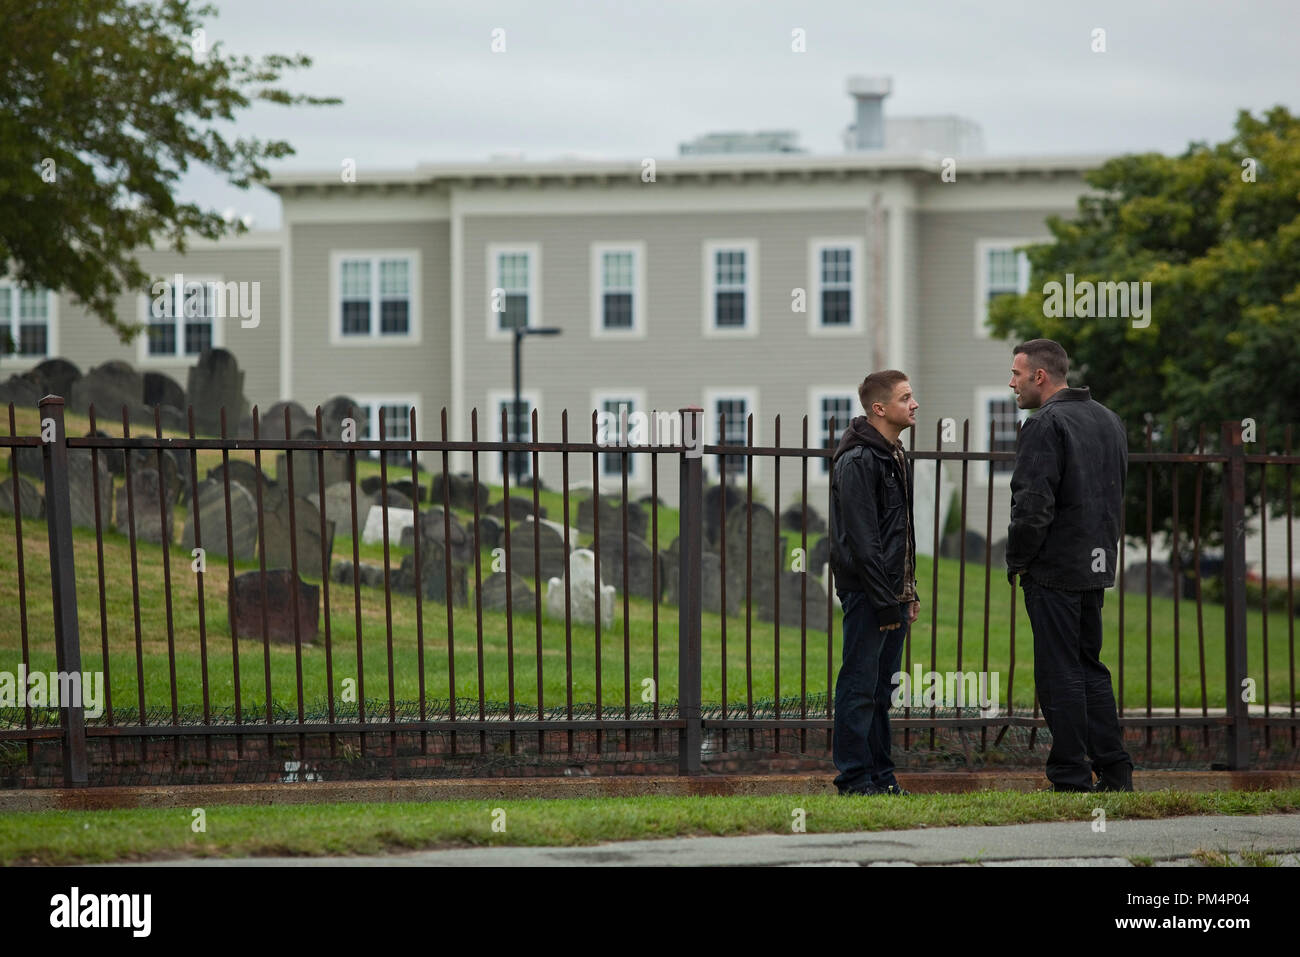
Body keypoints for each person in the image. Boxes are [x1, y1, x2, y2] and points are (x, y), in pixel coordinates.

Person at [1005, 338, 1134, 792]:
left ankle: (1070, 775)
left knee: (1059, 671)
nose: (1012, 382)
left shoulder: (1044, 424)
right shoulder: (1109, 420)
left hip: (1054, 568)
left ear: (1040, 376)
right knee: (1089, 667)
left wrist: (1019, 557)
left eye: (1017, 374)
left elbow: (1033, 504)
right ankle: (1116, 771)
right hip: (1094, 563)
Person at [828, 370, 920, 796]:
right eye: (905, 398)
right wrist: (886, 602)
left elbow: (898, 534)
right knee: (859, 687)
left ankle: (882, 778)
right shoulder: (859, 459)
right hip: (869, 595)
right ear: (879, 408)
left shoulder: (895, 454)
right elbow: (863, 542)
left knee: (882, 691)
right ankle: (853, 779)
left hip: (891, 594)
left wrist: (908, 591)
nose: (914, 404)